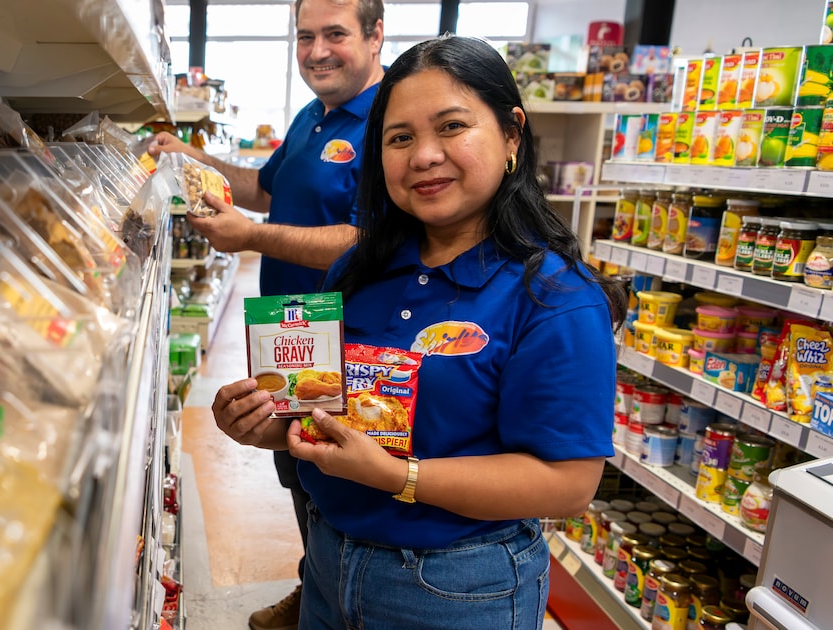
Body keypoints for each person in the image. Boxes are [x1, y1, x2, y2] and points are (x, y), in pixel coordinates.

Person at [208, 35, 627, 629]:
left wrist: (396, 477)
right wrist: (271, 426)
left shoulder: (554, 296)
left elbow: (566, 484)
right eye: (399, 138)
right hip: (328, 566)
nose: (424, 156)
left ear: (511, 134)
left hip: (459, 588)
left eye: (452, 127)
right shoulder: (358, 269)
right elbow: (331, 408)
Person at [148, 1, 386, 628]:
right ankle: (315, 588)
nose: (317, 51)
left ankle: (336, 602)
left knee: (339, 471)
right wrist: (193, 160)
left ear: (374, 35)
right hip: (289, 320)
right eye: (305, 37)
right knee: (296, 465)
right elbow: (262, 188)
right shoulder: (315, 115)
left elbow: (369, 239)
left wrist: (252, 237)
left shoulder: (387, 121)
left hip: (350, 330)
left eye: (335, 34)